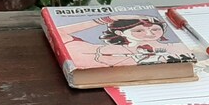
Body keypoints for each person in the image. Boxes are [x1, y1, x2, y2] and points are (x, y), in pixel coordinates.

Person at [55, 14, 194, 68]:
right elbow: (59, 32)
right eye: (139, 30)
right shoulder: (99, 50)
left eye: (155, 30)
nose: (149, 34)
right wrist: (110, 19)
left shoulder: (175, 47)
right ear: (120, 32)